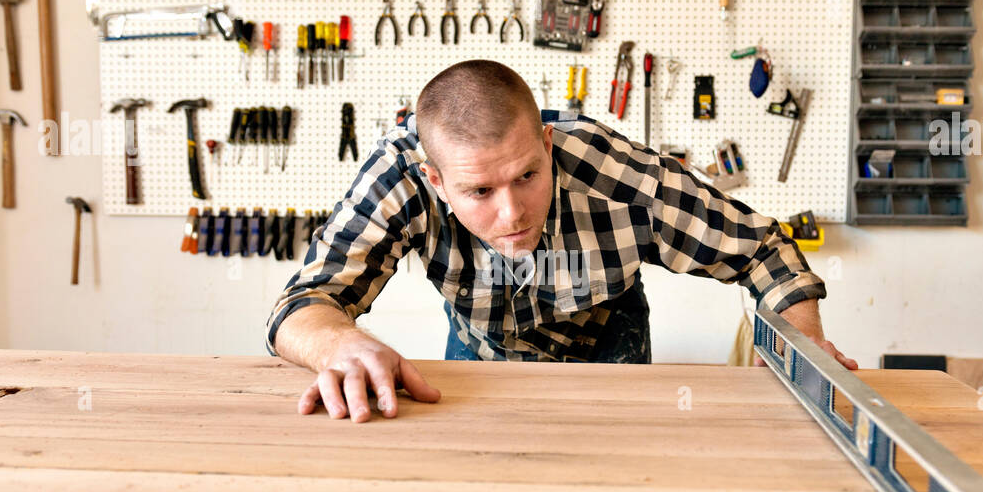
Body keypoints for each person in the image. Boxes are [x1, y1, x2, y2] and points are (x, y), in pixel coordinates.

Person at [267, 60, 856, 423]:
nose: (512, 212)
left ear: (549, 144)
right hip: (481, 352)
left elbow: (762, 251)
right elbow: (303, 304)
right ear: (435, 180)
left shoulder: (618, 174)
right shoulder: (399, 175)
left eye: (527, 174)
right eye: (479, 192)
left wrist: (803, 346)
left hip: (609, 344)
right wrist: (336, 345)